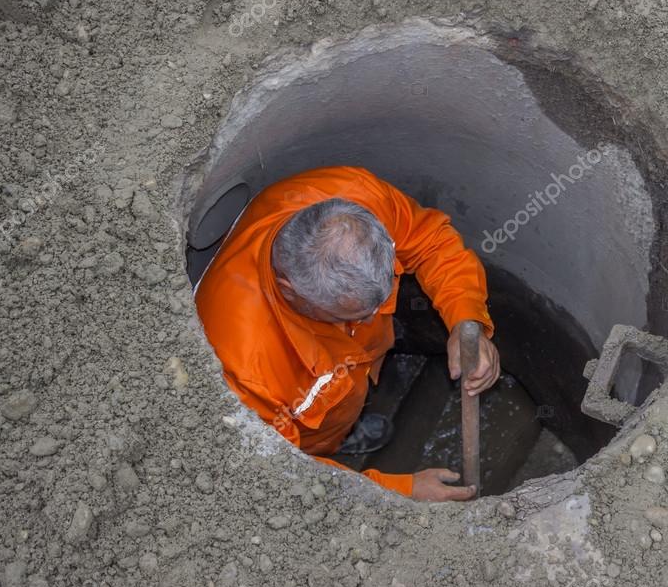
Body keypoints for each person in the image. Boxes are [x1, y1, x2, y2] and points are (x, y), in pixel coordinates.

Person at [195, 166, 500, 501]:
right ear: (290, 289)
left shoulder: (357, 195)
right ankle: (333, 446)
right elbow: (280, 471)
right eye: (352, 315)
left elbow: (432, 243)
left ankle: (347, 433)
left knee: (342, 416)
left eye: (378, 305)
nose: (375, 317)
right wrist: (402, 491)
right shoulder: (242, 365)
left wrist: (465, 320)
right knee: (316, 448)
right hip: (304, 431)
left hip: (352, 381)